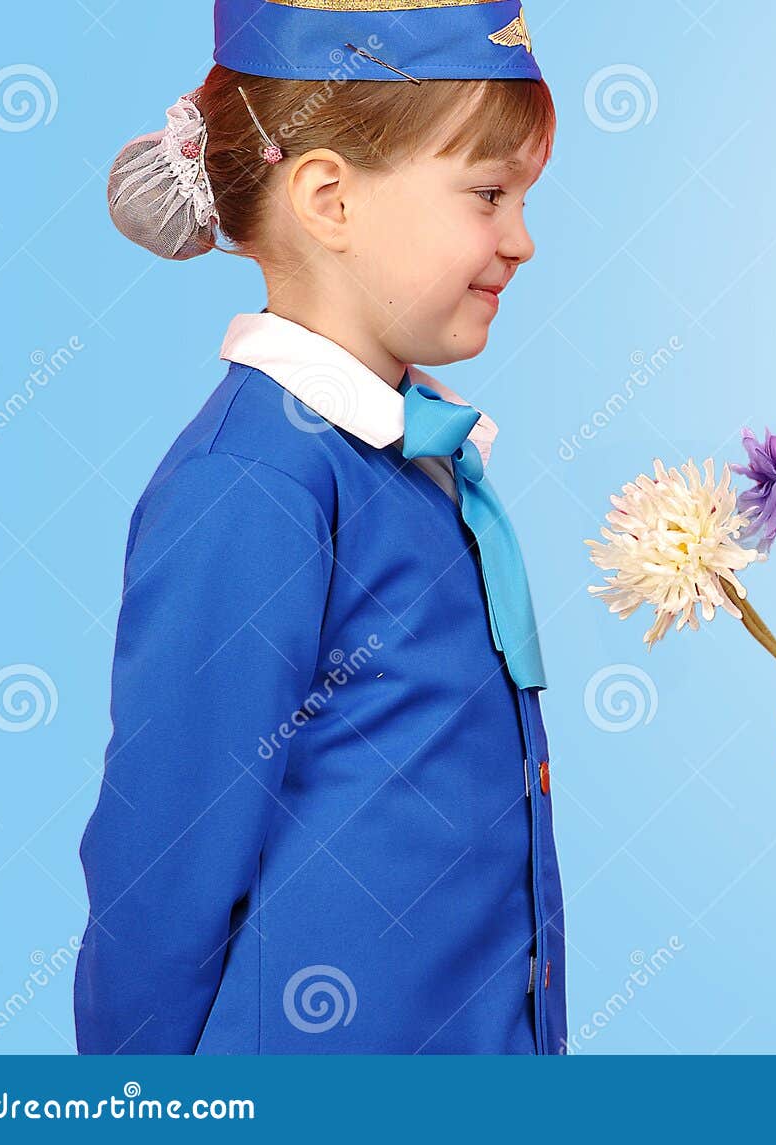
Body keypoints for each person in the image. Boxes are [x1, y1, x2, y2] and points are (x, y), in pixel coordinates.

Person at [76, 0, 566, 1053]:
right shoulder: (253, 479)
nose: (522, 239)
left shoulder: (412, 458)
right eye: (489, 193)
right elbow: (163, 864)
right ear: (330, 197)